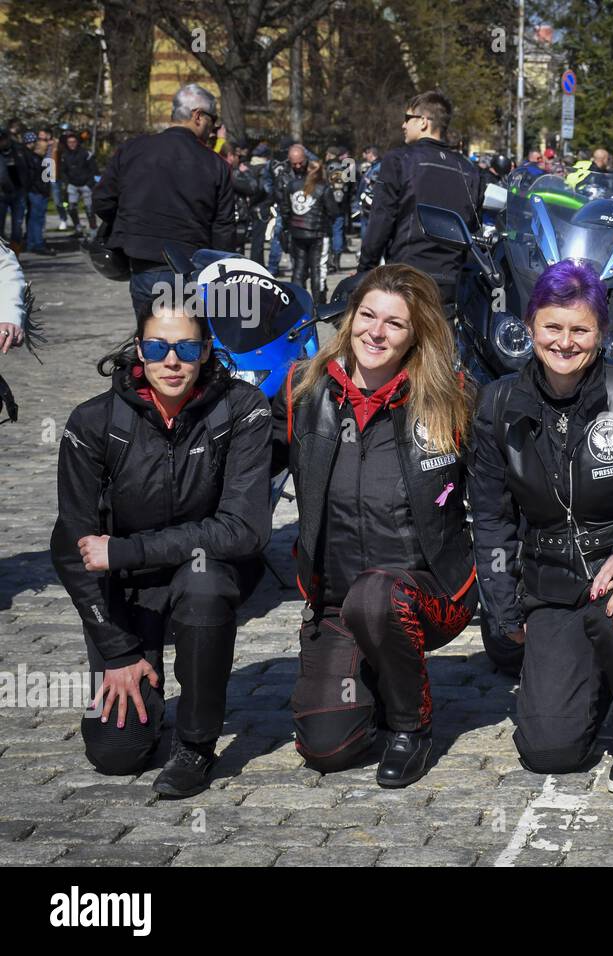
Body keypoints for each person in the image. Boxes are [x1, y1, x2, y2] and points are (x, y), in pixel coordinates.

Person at [470, 261, 613, 794]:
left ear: (601, 334)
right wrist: (504, 609)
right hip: (550, 578)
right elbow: (491, 514)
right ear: (530, 327)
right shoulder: (497, 404)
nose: (565, 341)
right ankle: (590, 676)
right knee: (550, 749)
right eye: (553, 327)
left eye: (581, 329)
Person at [49, 297, 272, 796]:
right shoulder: (93, 422)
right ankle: (143, 681)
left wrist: (128, 550)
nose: (172, 361)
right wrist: (118, 650)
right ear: (139, 350)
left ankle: (196, 744)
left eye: (186, 348)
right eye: (157, 346)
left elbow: (244, 530)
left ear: (207, 351)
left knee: (203, 584)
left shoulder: (243, 409)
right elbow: (71, 544)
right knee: (117, 754)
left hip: (203, 569)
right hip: (125, 591)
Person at [271, 264, 478, 786]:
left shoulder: (454, 398)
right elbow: (245, 464)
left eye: (395, 324)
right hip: (338, 600)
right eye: (367, 315)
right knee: (327, 748)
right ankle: (374, 675)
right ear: (349, 319)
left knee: (377, 597)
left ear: (417, 334)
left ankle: (412, 726)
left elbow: (500, 498)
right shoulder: (303, 389)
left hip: (428, 592)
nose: (376, 332)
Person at [93, 83, 235, 315]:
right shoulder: (215, 164)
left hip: (143, 263)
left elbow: (103, 202)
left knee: (151, 339)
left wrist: (131, 227)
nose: (213, 128)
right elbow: (224, 228)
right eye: (213, 119)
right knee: (189, 342)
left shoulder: (132, 149)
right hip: (190, 266)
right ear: (198, 115)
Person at [358, 91, 485, 304]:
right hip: (450, 284)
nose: (403, 125)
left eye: (408, 119)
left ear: (424, 122)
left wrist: (365, 270)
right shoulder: (470, 171)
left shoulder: (399, 160)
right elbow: (472, 230)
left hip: (406, 279)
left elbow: (381, 219)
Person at [274, 149, 337, 302]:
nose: (296, 166)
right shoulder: (323, 188)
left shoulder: (292, 185)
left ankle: (296, 302)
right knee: (317, 269)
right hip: (317, 233)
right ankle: (318, 303)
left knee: (298, 269)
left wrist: (290, 225)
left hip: (298, 233)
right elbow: (334, 211)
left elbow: (285, 209)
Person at [220, 142, 264, 257]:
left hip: (232, 218)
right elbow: (253, 187)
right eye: (237, 157)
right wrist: (245, 172)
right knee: (236, 254)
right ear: (230, 156)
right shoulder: (230, 172)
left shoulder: (221, 169)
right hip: (234, 218)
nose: (239, 160)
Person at [58, 131, 99, 236]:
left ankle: (94, 231)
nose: (72, 144)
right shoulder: (65, 156)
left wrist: (90, 184)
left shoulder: (86, 154)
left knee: (89, 210)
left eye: (74, 142)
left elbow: (94, 170)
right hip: (72, 185)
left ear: (77, 142)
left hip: (86, 185)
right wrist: (67, 183)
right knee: (71, 208)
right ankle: (78, 228)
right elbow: (62, 171)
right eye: (69, 142)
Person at [22, 130, 54, 255]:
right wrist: (42, 190)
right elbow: (33, 177)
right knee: (37, 219)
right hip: (36, 191)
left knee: (33, 218)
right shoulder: (30, 157)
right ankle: (37, 244)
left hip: (37, 190)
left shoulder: (34, 156)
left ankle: (32, 243)